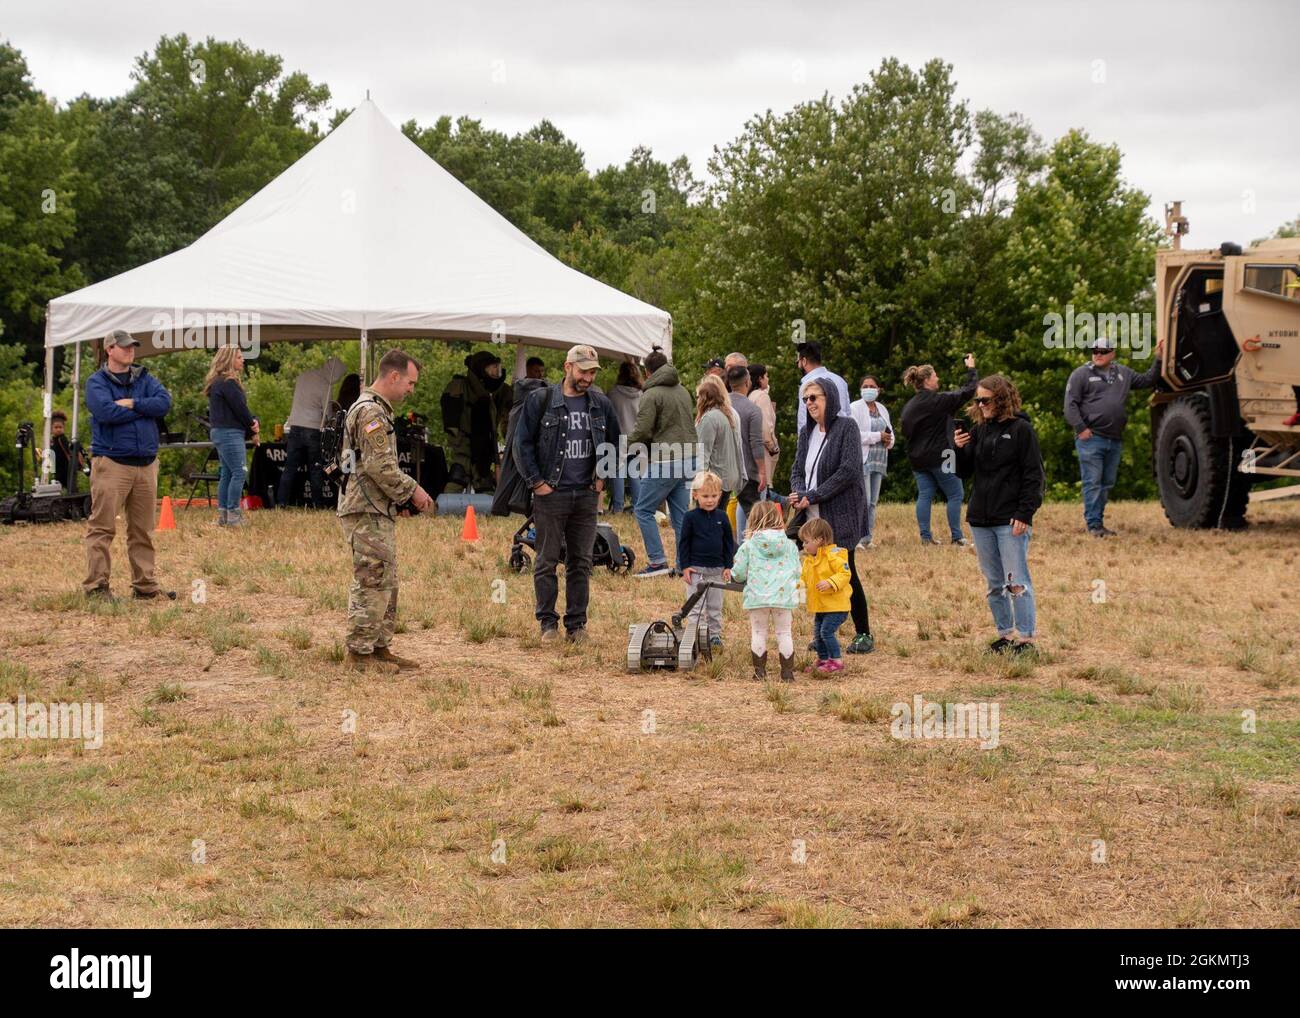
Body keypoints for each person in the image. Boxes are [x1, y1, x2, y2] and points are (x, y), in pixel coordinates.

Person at [514, 344, 621, 641]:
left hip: (586, 493)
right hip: (551, 492)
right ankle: (547, 623)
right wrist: (537, 482)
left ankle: (576, 625)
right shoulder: (541, 400)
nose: (588, 377)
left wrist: (602, 478)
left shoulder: (601, 404)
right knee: (546, 559)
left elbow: (615, 443)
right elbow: (521, 445)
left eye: (592, 372)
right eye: (583, 370)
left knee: (581, 561)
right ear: (567, 367)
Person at [337, 349, 433, 672]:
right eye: (410, 383)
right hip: (364, 508)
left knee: (386, 578)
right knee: (372, 577)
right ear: (394, 376)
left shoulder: (378, 410)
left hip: (376, 507)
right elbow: (381, 468)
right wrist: (413, 492)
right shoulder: (370, 413)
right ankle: (359, 655)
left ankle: (378, 647)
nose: (411, 390)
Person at [955, 375, 1045, 655]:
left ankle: (1027, 640)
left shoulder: (1021, 430)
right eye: (977, 400)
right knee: (995, 584)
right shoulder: (979, 430)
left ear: (1001, 399)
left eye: (986, 400)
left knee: (1016, 582)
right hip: (981, 517)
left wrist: (1024, 513)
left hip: (1010, 519)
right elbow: (964, 472)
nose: (980, 405)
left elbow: (1035, 476)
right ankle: (1005, 635)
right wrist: (959, 450)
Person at [82, 330, 175, 601]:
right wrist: (144, 411)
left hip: (146, 463)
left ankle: (145, 586)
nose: (130, 351)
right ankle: (97, 587)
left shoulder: (144, 377)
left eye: (132, 347)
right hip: (112, 463)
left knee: (142, 530)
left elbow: (164, 403)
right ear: (109, 349)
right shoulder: (96, 382)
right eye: (124, 347)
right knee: (102, 527)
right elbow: (105, 412)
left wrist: (133, 403)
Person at [790, 378, 874, 654]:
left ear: (830, 398)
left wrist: (812, 495)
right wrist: (799, 492)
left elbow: (849, 470)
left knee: (845, 571)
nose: (810, 403)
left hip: (841, 513)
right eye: (806, 399)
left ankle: (863, 633)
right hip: (812, 517)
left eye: (814, 397)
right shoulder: (806, 432)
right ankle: (824, 634)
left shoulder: (846, 427)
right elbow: (797, 470)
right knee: (818, 573)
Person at [1064, 336, 1164, 537]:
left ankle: (1097, 521)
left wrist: (1159, 358)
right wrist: (1081, 428)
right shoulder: (1081, 374)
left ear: (1112, 353)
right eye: (1095, 351)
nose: (1098, 355)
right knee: (1092, 481)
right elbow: (1070, 404)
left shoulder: (1123, 373)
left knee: (1106, 482)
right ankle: (1094, 525)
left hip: (1114, 439)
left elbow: (1147, 380)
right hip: (1091, 438)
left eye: (1102, 351)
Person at [627, 348, 697, 578]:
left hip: (667, 458)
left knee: (643, 509)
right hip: (690, 457)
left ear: (647, 372)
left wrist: (624, 448)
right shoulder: (683, 391)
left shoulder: (652, 394)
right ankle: (681, 564)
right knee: (680, 516)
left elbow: (643, 429)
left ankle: (657, 562)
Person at [899, 355, 978, 546]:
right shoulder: (939, 401)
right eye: (935, 376)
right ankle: (957, 537)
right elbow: (968, 391)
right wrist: (971, 369)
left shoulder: (909, 407)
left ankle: (926, 537)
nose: (938, 379)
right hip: (943, 455)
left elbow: (905, 431)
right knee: (955, 494)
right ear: (926, 380)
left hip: (917, 458)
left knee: (925, 494)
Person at [729, 499, 800, 682]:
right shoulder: (790, 546)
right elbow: (797, 571)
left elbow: (738, 573)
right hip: (783, 597)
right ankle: (787, 673)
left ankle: (759, 672)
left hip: (757, 597)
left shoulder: (749, 546)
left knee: (759, 632)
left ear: (752, 520)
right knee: (784, 633)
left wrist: (737, 577)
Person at [677, 470, 735, 650]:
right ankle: (695, 635)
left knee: (715, 606)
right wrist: (685, 566)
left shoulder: (722, 517)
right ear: (695, 495)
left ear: (719, 495)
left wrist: (728, 566)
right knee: (696, 607)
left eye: (714, 496)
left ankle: (715, 635)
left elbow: (728, 543)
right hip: (696, 570)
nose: (710, 500)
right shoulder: (690, 517)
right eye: (705, 496)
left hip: (716, 570)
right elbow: (684, 543)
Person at [278, 356, 346, 509]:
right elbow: (327, 413)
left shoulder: (304, 376)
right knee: (315, 468)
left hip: (295, 426)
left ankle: (281, 502)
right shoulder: (325, 385)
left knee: (290, 468)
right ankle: (317, 504)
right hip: (313, 429)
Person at [205, 346, 259, 527]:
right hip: (229, 432)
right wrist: (253, 426)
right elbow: (240, 410)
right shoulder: (228, 383)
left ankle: (224, 516)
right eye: (239, 357)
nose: (242, 360)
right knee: (239, 472)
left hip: (220, 432)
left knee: (227, 474)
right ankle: (234, 516)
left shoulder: (217, 383)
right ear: (229, 360)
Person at [442, 350, 511, 493]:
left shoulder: (502, 392)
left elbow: (509, 418)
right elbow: (451, 423)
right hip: (464, 448)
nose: (496, 373)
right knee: (457, 478)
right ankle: (440, 511)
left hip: (486, 450)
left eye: (497, 368)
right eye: (491, 369)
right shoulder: (460, 387)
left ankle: (493, 513)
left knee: (485, 483)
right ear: (480, 370)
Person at [799, 517, 852, 674]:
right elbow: (803, 579)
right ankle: (823, 660)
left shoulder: (834, 557)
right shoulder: (809, 561)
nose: (803, 545)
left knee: (826, 632)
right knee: (818, 634)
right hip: (821, 606)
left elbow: (845, 573)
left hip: (837, 606)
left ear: (819, 540)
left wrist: (831, 582)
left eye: (806, 542)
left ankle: (836, 661)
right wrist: (796, 588)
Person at [849, 375, 893, 547]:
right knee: (863, 500)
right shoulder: (855, 408)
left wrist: (889, 440)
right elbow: (854, 434)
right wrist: (878, 436)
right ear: (860, 389)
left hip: (879, 460)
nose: (868, 389)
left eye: (872, 386)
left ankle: (867, 538)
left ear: (878, 389)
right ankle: (857, 538)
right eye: (865, 386)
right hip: (863, 460)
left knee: (873, 502)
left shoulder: (882, 408)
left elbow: (890, 432)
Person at [727, 365, 766, 537]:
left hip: (724, 468)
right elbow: (756, 443)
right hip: (747, 470)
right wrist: (762, 472)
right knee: (755, 516)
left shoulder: (721, 406)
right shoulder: (752, 410)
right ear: (747, 382)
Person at [695, 375, 743, 507]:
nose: (697, 400)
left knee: (706, 522)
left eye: (698, 396)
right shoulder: (726, 415)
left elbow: (702, 453)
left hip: (714, 480)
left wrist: (699, 483)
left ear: (704, 398)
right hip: (727, 478)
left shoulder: (709, 418)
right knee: (717, 519)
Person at [607, 361, 644, 514]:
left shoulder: (612, 393)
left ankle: (618, 508)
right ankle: (637, 507)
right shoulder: (642, 395)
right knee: (634, 474)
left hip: (618, 438)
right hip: (635, 438)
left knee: (618, 473)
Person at [795, 341, 852, 432]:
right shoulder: (840, 381)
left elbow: (804, 421)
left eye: (798, 362)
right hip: (842, 434)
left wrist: (802, 444)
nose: (798, 365)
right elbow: (848, 414)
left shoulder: (807, 385)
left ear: (804, 361)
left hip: (819, 438)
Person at [747, 364, 780, 497]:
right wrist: (773, 448)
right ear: (760, 378)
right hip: (763, 451)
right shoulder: (761, 397)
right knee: (760, 495)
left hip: (749, 451)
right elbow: (765, 428)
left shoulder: (748, 396)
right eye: (766, 376)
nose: (768, 379)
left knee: (748, 496)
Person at [49, 410, 87, 492]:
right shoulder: (52, 440)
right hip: (58, 469)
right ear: (51, 429)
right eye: (56, 427)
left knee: (69, 488)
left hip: (65, 469)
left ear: (63, 428)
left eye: (60, 427)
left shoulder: (62, 439)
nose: (58, 430)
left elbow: (69, 452)